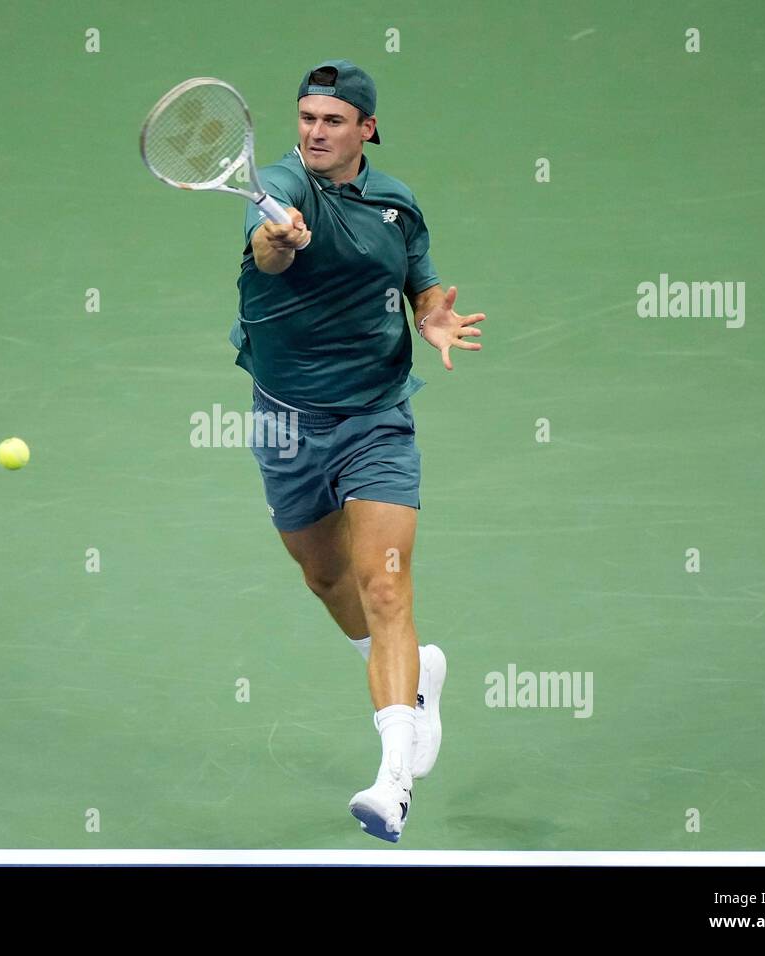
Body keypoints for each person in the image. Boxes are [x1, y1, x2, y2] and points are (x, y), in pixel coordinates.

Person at [230, 59, 486, 842]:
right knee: (325, 576)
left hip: (378, 418)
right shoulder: (281, 189)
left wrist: (433, 316)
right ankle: (415, 676)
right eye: (307, 118)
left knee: (385, 590)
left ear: (366, 128)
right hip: (285, 423)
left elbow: (422, 283)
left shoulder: (396, 205)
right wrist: (278, 241)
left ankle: (393, 779)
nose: (315, 132)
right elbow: (270, 247)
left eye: (334, 120)